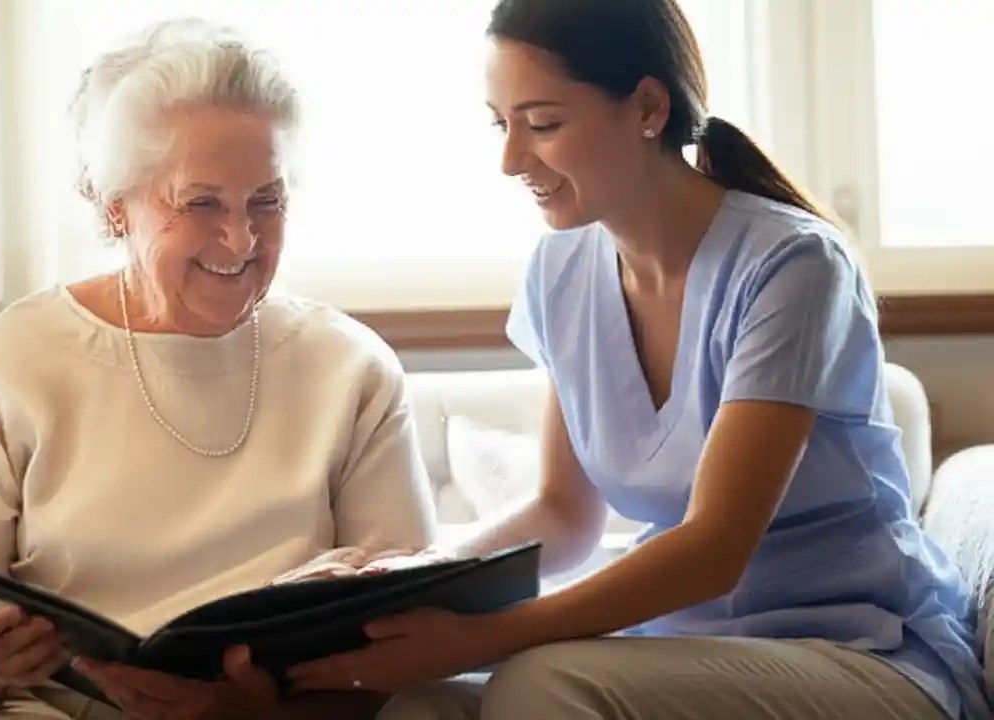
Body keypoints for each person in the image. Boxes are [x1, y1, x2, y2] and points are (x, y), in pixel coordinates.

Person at [285, 1, 991, 718]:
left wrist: (479, 640)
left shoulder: (794, 266)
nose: (510, 160)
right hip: (685, 652)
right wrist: (423, 572)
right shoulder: (559, 270)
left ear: (649, 107)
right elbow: (564, 516)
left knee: (543, 684)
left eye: (543, 124)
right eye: (502, 124)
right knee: (422, 705)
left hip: (857, 651)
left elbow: (715, 547)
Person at [0, 17, 435, 720]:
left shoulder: (350, 366)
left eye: (267, 200)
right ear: (114, 211)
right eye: (200, 204)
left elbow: (411, 640)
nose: (241, 238)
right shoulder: (9, 362)